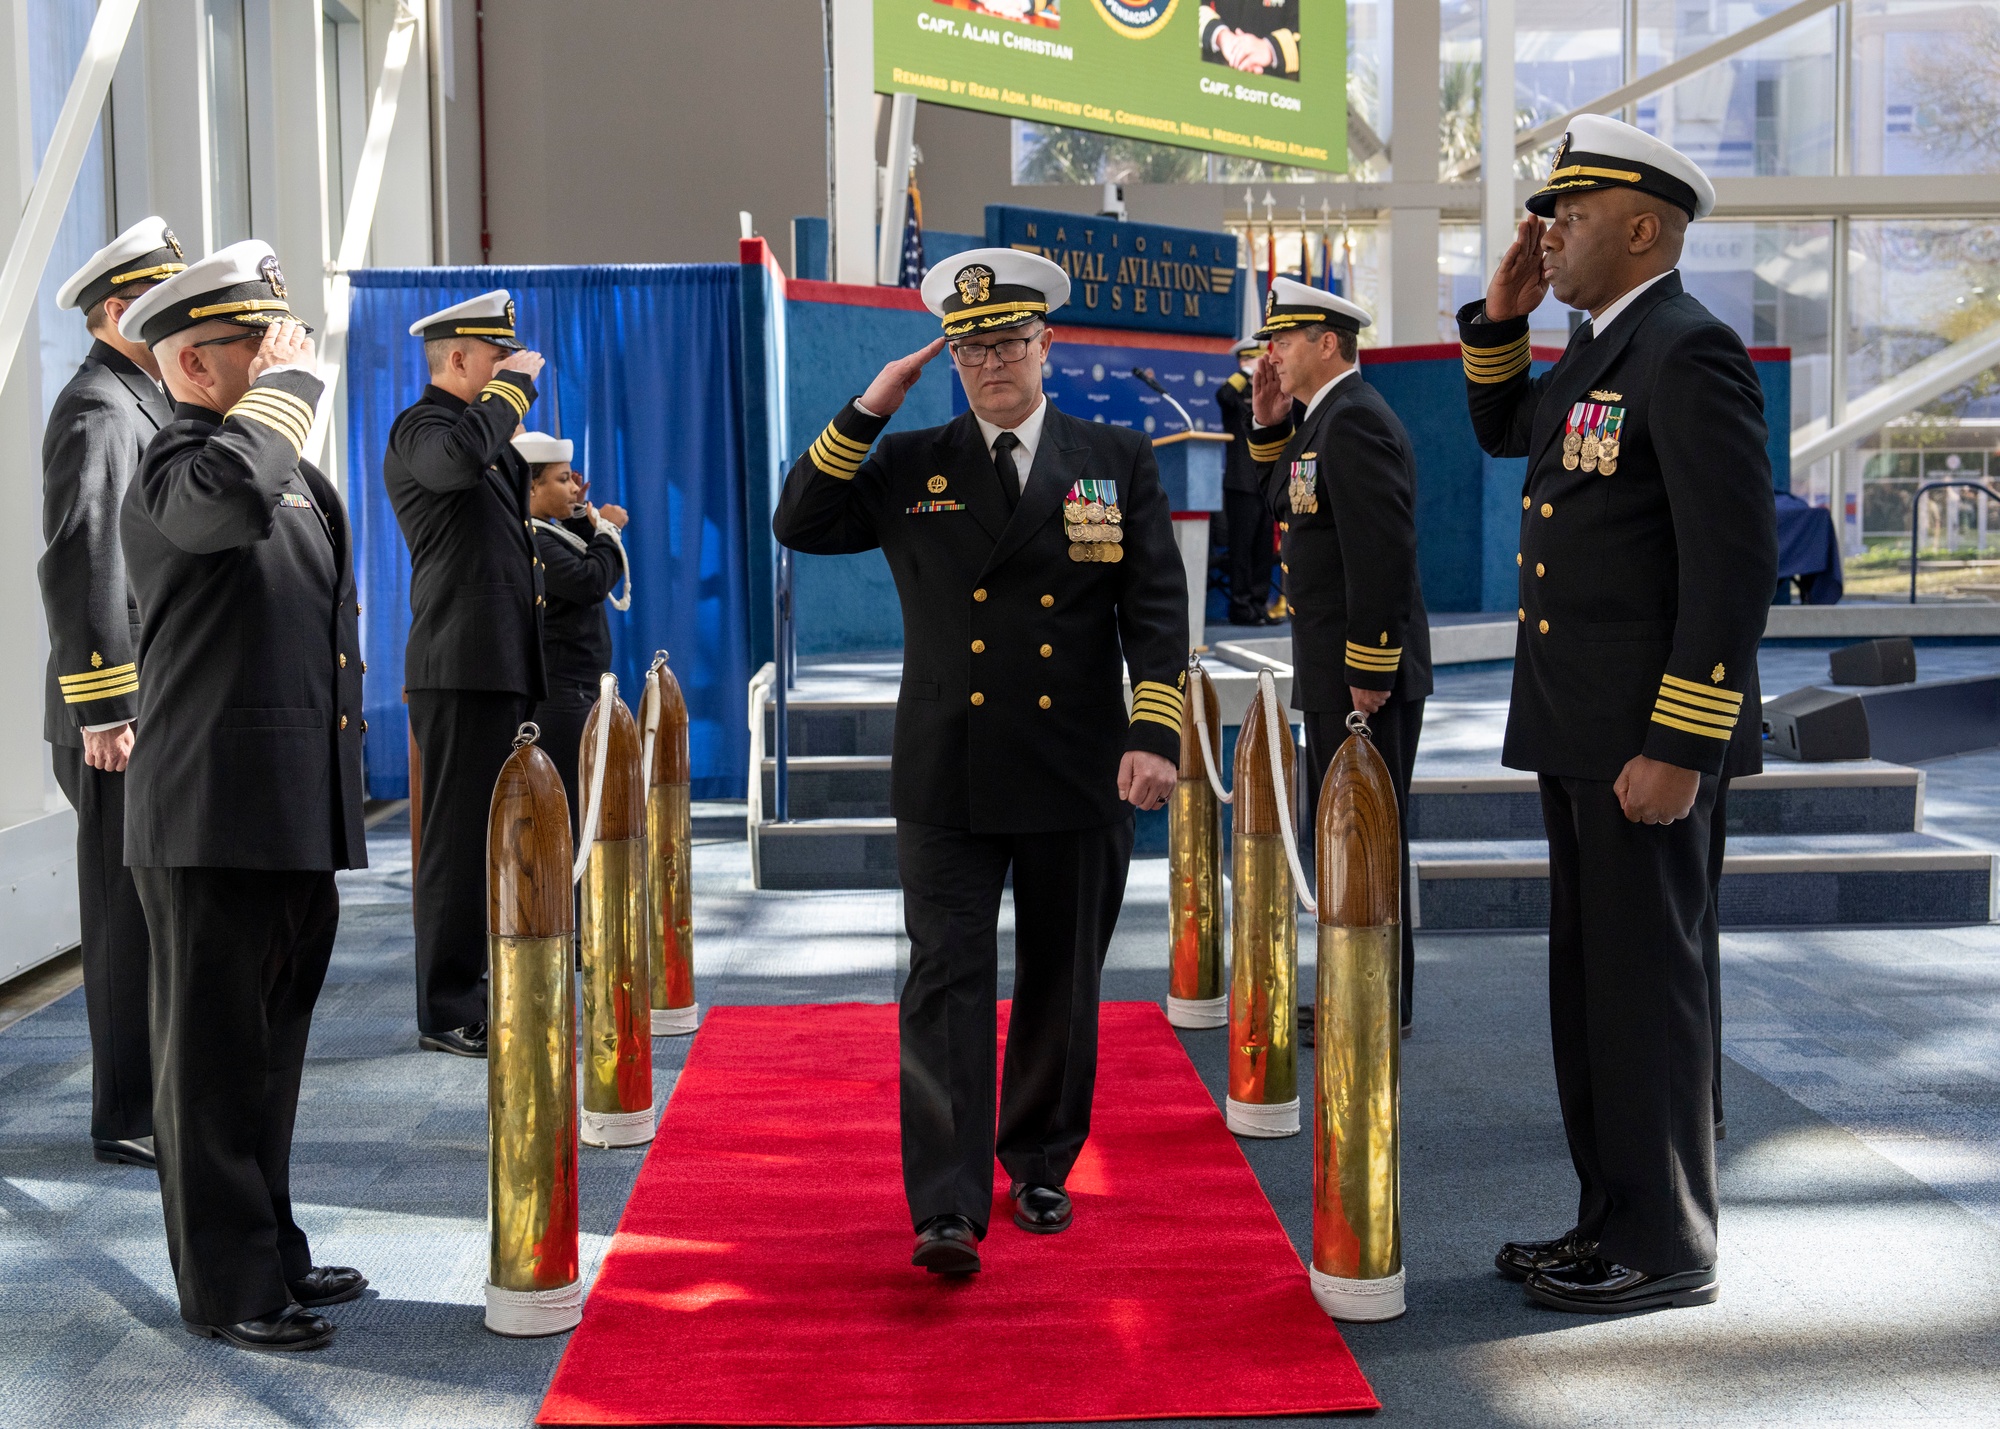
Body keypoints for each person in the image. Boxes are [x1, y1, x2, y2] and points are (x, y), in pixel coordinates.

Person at [773, 249, 1188, 1275]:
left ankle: (1039, 1158)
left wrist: (1155, 730)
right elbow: (800, 520)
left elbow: (1155, 607)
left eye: (1006, 341)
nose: (989, 361)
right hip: (948, 766)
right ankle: (946, 1207)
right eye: (968, 347)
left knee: (1060, 975)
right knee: (946, 980)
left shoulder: (1114, 456)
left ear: (1046, 343)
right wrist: (869, 405)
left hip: (1075, 760)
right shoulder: (910, 461)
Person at [1460, 115, 1776, 1314]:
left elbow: (1730, 564)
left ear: (1642, 230)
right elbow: (1505, 433)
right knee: (1593, 987)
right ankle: (1607, 1216)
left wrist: (1679, 742)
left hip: (1642, 741)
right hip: (1581, 729)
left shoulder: (1685, 350)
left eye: (1568, 217)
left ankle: (1667, 1239)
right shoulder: (1603, 345)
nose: (1546, 233)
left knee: (1648, 987)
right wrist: (1500, 317)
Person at [116, 241, 370, 1351]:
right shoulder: (176, 467)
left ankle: (275, 1249)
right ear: (192, 363)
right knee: (213, 1067)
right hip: (208, 814)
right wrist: (291, 391)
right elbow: (225, 504)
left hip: (283, 812)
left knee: (269, 1057)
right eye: (258, 344)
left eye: (283, 340)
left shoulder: (281, 467)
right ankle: (228, 1285)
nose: (286, 356)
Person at [1244, 277, 1431, 1039]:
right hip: (1336, 670)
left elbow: (1381, 554)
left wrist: (1370, 666)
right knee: (1345, 837)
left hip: (1362, 675)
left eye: (1283, 341)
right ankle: (1361, 989)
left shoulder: (1354, 422)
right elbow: (1282, 507)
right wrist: (1266, 425)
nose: (1270, 356)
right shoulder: (1322, 422)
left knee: (1366, 836)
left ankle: (1376, 1003)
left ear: (1328, 343)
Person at [39, 217, 184, 1171]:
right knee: (123, 914)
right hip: (115, 716)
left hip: (148, 703)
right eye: (164, 303)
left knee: (153, 909)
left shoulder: (145, 400)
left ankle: (151, 1096)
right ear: (120, 309)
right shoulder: (101, 407)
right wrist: (105, 707)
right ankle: (127, 1109)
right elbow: (82, 560)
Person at [384, 291, 546, 1058]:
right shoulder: (424, 428)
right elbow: (454, 464)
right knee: (454, 840)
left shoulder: (484, 441)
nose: (511, 371)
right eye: (496, 359)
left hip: (496, 663)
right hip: (458, 665)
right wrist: (511, 396)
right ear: (457, 359)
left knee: (492, 839)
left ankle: (480, 984)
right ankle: (445, 1005)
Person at [518, 431, 629, 832]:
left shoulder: (546, 531)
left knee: (586, 812)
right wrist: (608, 530)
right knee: (571, 817)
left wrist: (581, 515)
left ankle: (580, 896)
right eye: (562, 479)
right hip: (562, 699)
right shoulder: (529, 538)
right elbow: (590, 581)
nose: (574, 487)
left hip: (577, 692)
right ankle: (571, 896)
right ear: (531, 484)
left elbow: (578, 554)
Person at [1215, 335, 1279, 627]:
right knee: (1241, 550)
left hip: (1265, 482)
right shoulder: (1236, 394)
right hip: (1240, 483)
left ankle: (1258, 604)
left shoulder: (1264, 394)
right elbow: (1223, 394)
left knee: (1262, 550)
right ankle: (1240, 607)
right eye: (1255, 360)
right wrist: (1245, 372)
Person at [1199, 1, 1300, 78]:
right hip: (1215, 77)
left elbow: (1311, 27)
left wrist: (1271, 48)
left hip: (1282, 90)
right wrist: (1221, 36)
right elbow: (1189, 8)